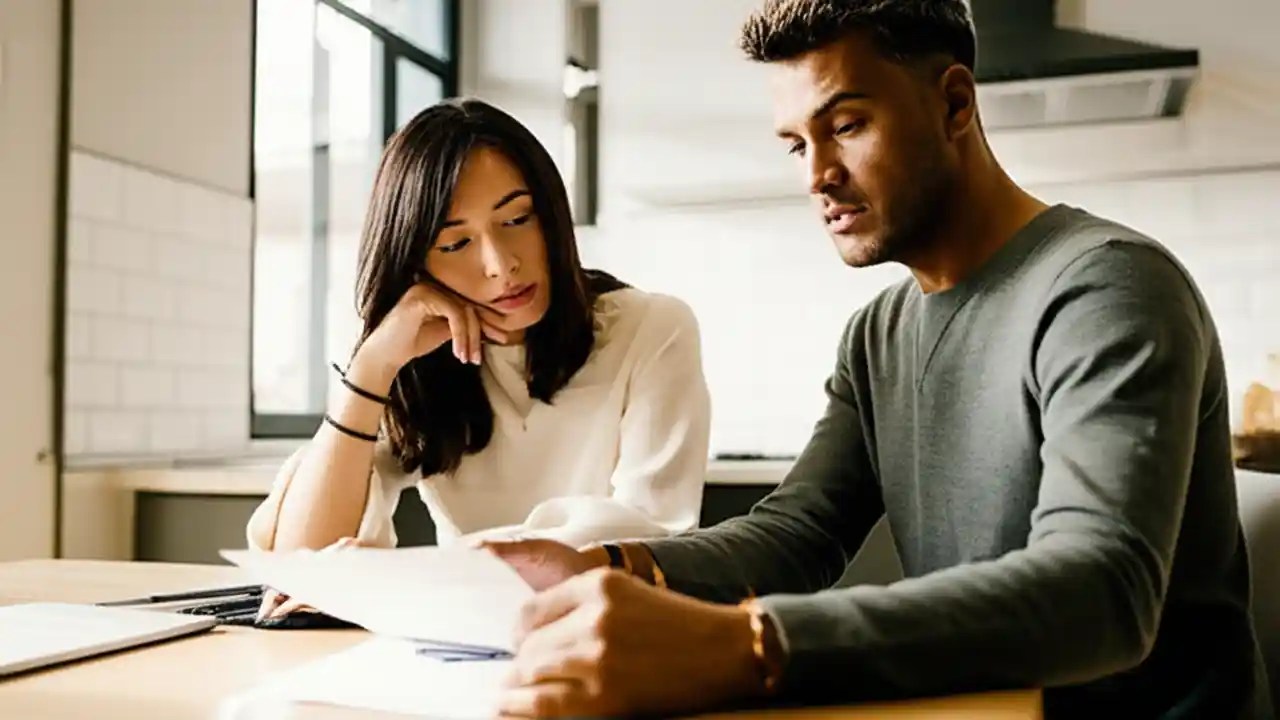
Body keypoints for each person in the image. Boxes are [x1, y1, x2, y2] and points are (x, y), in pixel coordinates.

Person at [483, 2, 1273, 718]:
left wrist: (751, 643)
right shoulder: (878, 333)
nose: (816, 175)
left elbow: (1101, 595)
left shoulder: (1108, 287)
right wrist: (612, 566)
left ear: (955, 103)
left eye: (847, 125)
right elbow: (798, 533)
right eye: (796, 143)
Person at [245, 99, 711, 567]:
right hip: (463, 629)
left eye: (516, 220)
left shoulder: (652, 328)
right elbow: (300, 560)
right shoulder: (413, 360)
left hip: (603, 626)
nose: (500, 264)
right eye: (456, 243)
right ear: (415, 262)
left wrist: (436, 566)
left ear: (550, 215)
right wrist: (372, 366)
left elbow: (652, 532)